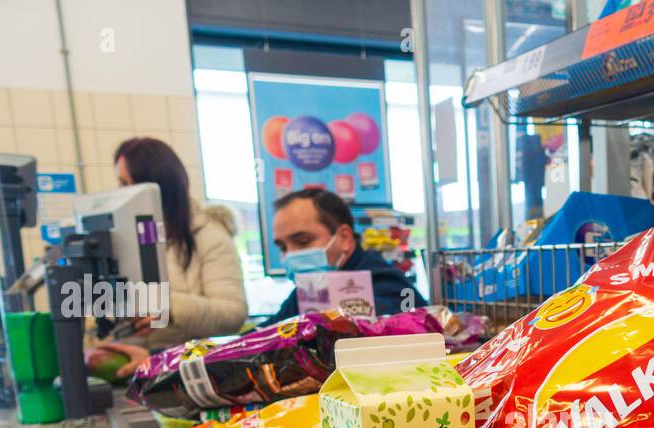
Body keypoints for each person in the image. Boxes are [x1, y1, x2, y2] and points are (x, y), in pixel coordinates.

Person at [113, 137, 248, 349]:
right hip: (132, 362)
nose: (120, 193)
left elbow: (233, 314)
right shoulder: (124, 240)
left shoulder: (209, 237)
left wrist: (168, 305)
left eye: (125, 183)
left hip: (187, 368)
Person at [266, 188, 425, 324]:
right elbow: (267, 333)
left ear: (344, 238)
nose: (290, 255)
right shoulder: (309, 291)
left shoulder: (385, 284)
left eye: (303, 241)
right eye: (283, 247)